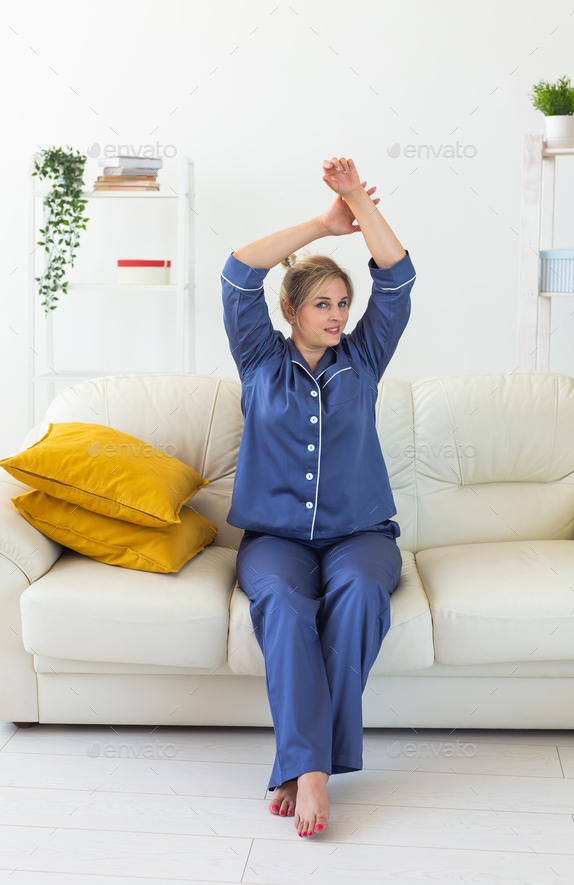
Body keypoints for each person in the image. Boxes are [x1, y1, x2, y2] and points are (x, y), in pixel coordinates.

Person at [220, 156, 416, 839]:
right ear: (292, 310)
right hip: (273, 540)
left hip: (362, 535)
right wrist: (320, 224)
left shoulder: (362, 359)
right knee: (282, 601)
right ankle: (313, 767)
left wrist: (359, 203)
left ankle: (306, 768)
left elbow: (399, 277)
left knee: (360, 596)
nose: (337, 315)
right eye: (322, 303)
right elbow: (238, 270)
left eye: (342, 303)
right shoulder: (259, 361)